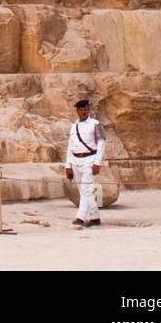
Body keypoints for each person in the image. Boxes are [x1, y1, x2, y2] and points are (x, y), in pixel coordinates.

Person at [64, 98, 106, 228]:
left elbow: (101, 143)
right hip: (75, 161)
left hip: (89, 160)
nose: (83, 111)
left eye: (86, 109)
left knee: (86, 190)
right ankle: (95, 218)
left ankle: (80, 218)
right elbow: (70, 146)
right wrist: (68, 165)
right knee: (83, 191)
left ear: (89, 110)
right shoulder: (74, 126)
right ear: (77, 111)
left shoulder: (95, 124)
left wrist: (97, 163)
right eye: (81, 109)